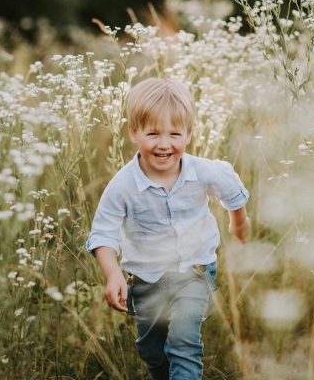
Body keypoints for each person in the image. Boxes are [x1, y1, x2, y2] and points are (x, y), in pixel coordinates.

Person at [86, 77, 251, 380]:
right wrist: (113, 273)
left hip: (194, 273)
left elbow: (229, 186)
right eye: (153, 134)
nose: (164, 144)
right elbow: (103, 234)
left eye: (174, 134)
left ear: (188, 133)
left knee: (183, 344)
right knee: (152, 350)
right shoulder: (123, 186)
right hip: (146, 281)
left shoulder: (202, 171)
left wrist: (238, 220)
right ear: (133, 132)